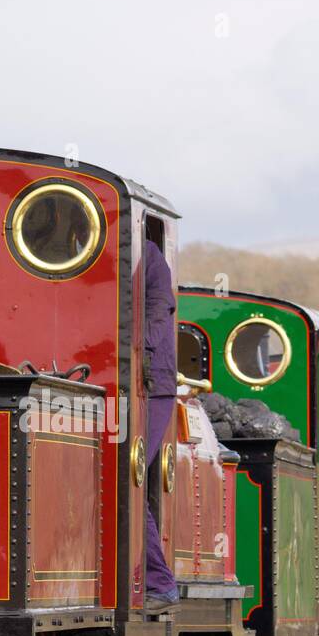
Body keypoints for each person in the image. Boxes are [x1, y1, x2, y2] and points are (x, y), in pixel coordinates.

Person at [142, 240, 179, 611]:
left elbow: (156, 313)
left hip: (151, 385)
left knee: (128, 478)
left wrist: (125, 348)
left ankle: (160, 583)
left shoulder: (149, 256)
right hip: (105, 381)